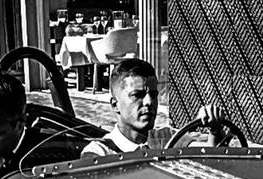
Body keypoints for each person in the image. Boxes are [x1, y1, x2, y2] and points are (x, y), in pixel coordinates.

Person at [82, 58, 227, 157]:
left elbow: (211, 157)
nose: (149, 102)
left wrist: (215, 130)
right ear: (115, 105)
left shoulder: (166, 138)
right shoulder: (98, 153)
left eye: (153, 94)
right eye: (137, 95)